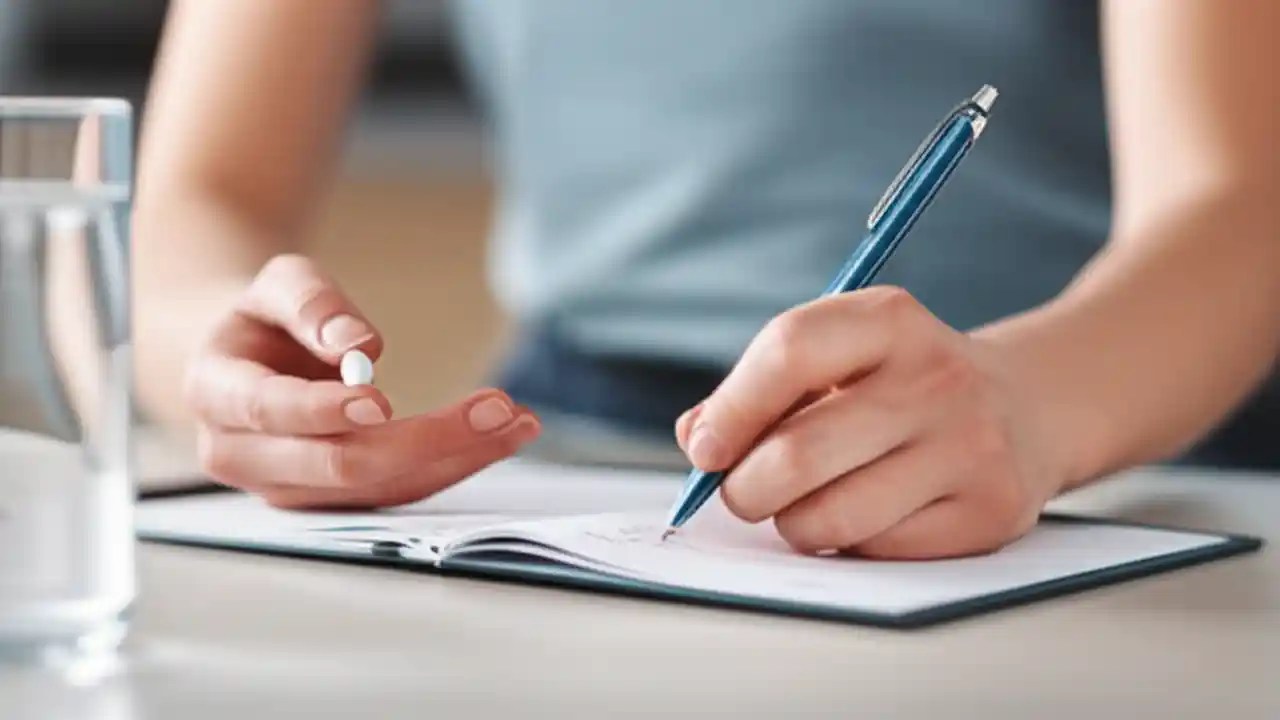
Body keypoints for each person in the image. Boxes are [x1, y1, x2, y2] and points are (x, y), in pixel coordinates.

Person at [133, 1, 1279, 559]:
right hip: (584, 430)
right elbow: (199, 192)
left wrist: (1030, 408)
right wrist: (217, 366)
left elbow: (1235, 209)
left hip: (1103, 446)